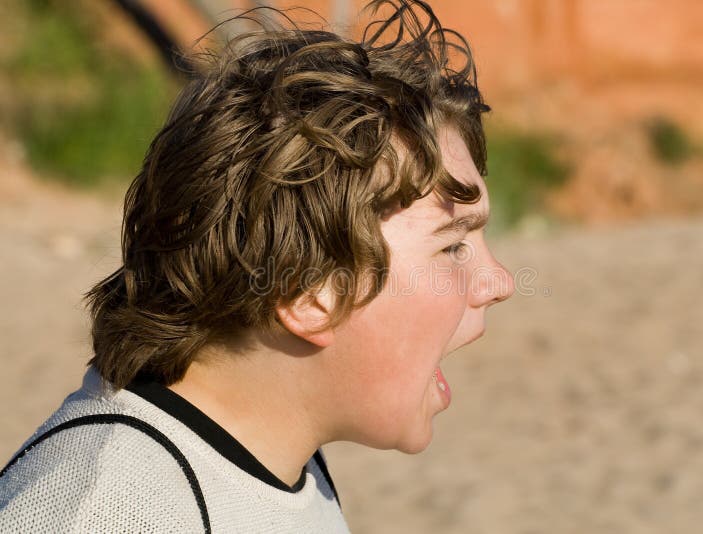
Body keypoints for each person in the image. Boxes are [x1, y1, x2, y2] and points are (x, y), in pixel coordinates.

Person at [0, 0, 514, 531]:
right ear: (313, 293)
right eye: (453, 245)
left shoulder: (277, 458)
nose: (499, 282)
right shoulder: (106, 513)